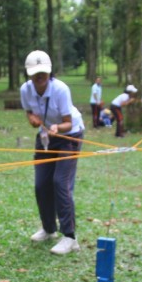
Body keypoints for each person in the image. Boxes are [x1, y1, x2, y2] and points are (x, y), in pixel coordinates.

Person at [21, 50, 85, 255]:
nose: (40, 77)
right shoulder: (25, 90)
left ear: (49, 72)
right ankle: (49, 229)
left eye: (43, 73)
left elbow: (68, 122)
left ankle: (70, 237)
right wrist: (32, 119)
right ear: (29, 74)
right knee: (41, 184)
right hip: (45, 136)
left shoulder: (60, 90)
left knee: (60, 182)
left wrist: (58, 127)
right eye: (35, 73)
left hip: (69, 135)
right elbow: (30, 113)